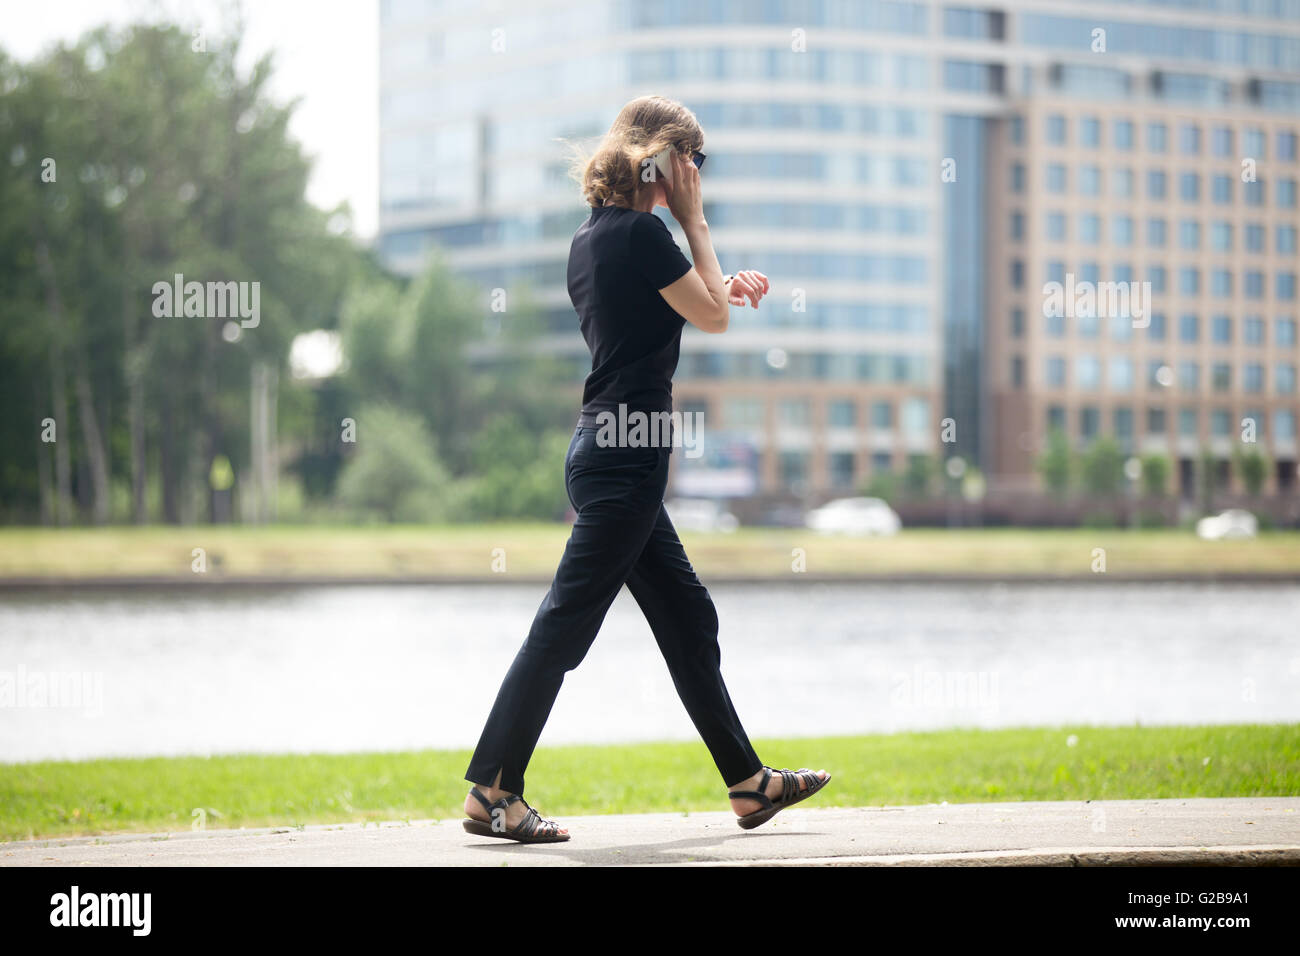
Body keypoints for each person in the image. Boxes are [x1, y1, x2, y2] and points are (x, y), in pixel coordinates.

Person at [462, 94, 830, 843]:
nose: (699, 176)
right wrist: (697, 226)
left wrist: (726, 283)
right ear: (665, 159)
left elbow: (688, 306)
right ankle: (493, 792)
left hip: (606, 451)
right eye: (696, 160)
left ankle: (748, 784)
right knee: (564, 626)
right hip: (627, 461)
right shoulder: (649, 231)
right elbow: (712, 317)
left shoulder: (595, 238)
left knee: (687, 616)